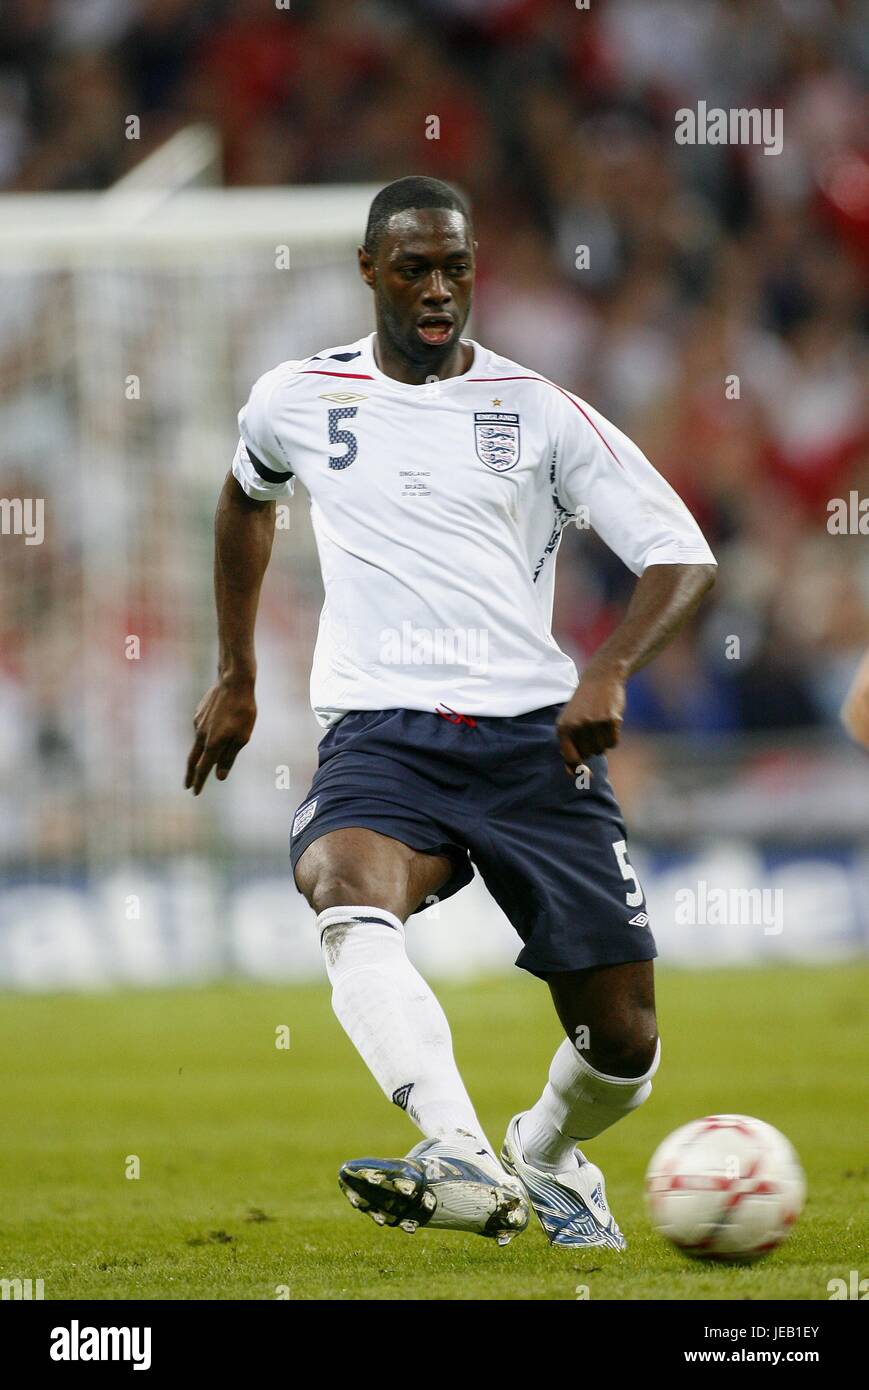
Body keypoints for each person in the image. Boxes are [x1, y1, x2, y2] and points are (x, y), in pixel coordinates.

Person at [185, 176, 717, 1249]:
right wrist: (236, 670)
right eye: (417, 267)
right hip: (380, 732)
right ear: (370, 271)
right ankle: (459, 1151)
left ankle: (547, 1154)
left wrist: (606, 670)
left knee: (623, 1046)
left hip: (533, 740)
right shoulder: (297, 393)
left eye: (457, 267)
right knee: (342, 888)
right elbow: (247, 494)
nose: (439, 289)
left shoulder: (537, 411)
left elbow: (680, 555)